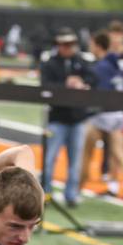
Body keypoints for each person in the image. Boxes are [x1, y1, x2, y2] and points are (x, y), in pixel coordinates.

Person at [39, 28, 93, 204]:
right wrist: (65, 84)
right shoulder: (50, 63)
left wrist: (82, 83)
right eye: (65, 44)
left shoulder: (81, 61)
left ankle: (71, 194)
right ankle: (45, 192)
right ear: (58, 45)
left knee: (75, 160)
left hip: (77, 118)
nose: (68, 48)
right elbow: (45, 85)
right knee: (50, 158)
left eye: (71, 44)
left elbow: (94, 78)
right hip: (57, 118)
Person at [86, 31, 123, 203]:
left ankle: (77, 187)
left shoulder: (108, 63)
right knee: (115, 151)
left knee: (115, 149)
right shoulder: (114, 60)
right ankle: (119, 186)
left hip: (112, 110)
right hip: (117, 110)